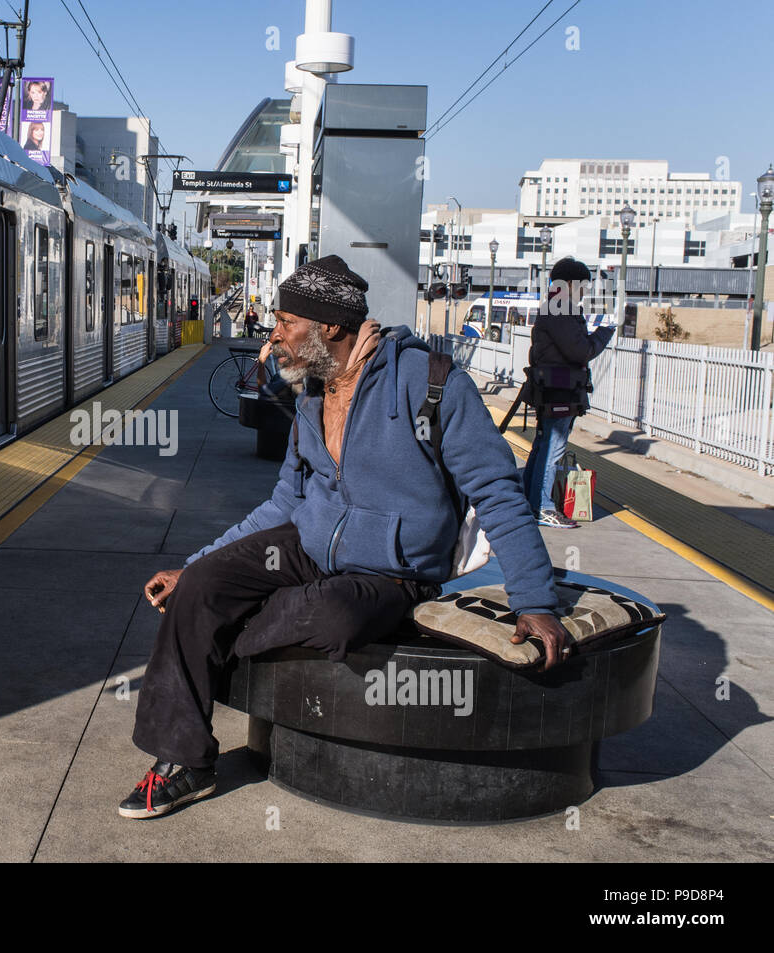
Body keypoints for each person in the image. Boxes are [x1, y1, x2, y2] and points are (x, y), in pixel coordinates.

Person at [118, 255, 571, 819]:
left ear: (329, 326)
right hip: (310, 547)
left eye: (285, 322)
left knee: (331, 616)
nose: (274, 335)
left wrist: (535, 600)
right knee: (202, 587)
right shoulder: (310, 394)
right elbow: (285, 501)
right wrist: (196, 565)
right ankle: (183, 761)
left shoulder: (430, 384)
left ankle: (204, 641)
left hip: (392, 572)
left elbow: (499, 492)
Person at [520, 257, 615, 529]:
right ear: (571, 284)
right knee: (552, 449)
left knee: (543, 447)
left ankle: (531, 502)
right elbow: (580, 350)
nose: (585, 291)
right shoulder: (561, 309)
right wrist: (604, 334)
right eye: (583, 285)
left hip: (553, 388)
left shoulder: (554, 306)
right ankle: (542, 506)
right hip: (560, 390)